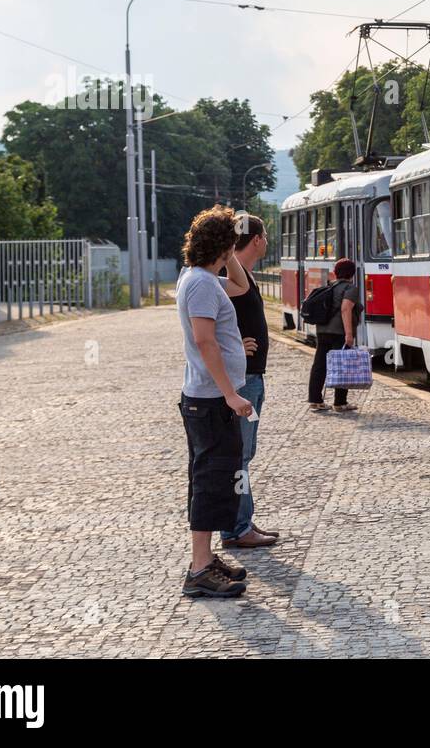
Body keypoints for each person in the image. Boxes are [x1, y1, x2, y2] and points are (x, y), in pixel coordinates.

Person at [175, 206, 255, 599]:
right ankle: (200, 568)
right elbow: (205, 341)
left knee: (214, 479)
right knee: (209, 481)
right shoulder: (203, 285)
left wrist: (230, 256)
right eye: (230, 243)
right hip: (210, 400)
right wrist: (230, 393)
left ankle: (203, 561)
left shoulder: (198, 277)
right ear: (221, 245)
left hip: (206, 398)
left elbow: (241, 288)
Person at [219, 214, 279, 551]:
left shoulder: (239, 275)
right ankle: (237, 529)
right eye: (265, 234)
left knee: (245, 453)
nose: (267, 240)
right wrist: (235, 347)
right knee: (239, 455)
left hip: (251, 378)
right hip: (243, 381)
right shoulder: (229, 278)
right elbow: (208, 323)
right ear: (256, 240)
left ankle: (242, 520)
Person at [307, 258, 361, 414]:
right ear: (352, 273)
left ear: (336, 273)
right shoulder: (351, 288)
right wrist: (349, 334)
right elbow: (346, 309)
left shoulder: (329, 286)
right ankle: (340, 403)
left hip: (322, 330)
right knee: (342, 366)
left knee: (319, 365)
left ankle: (315, 400)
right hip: (339, 332)